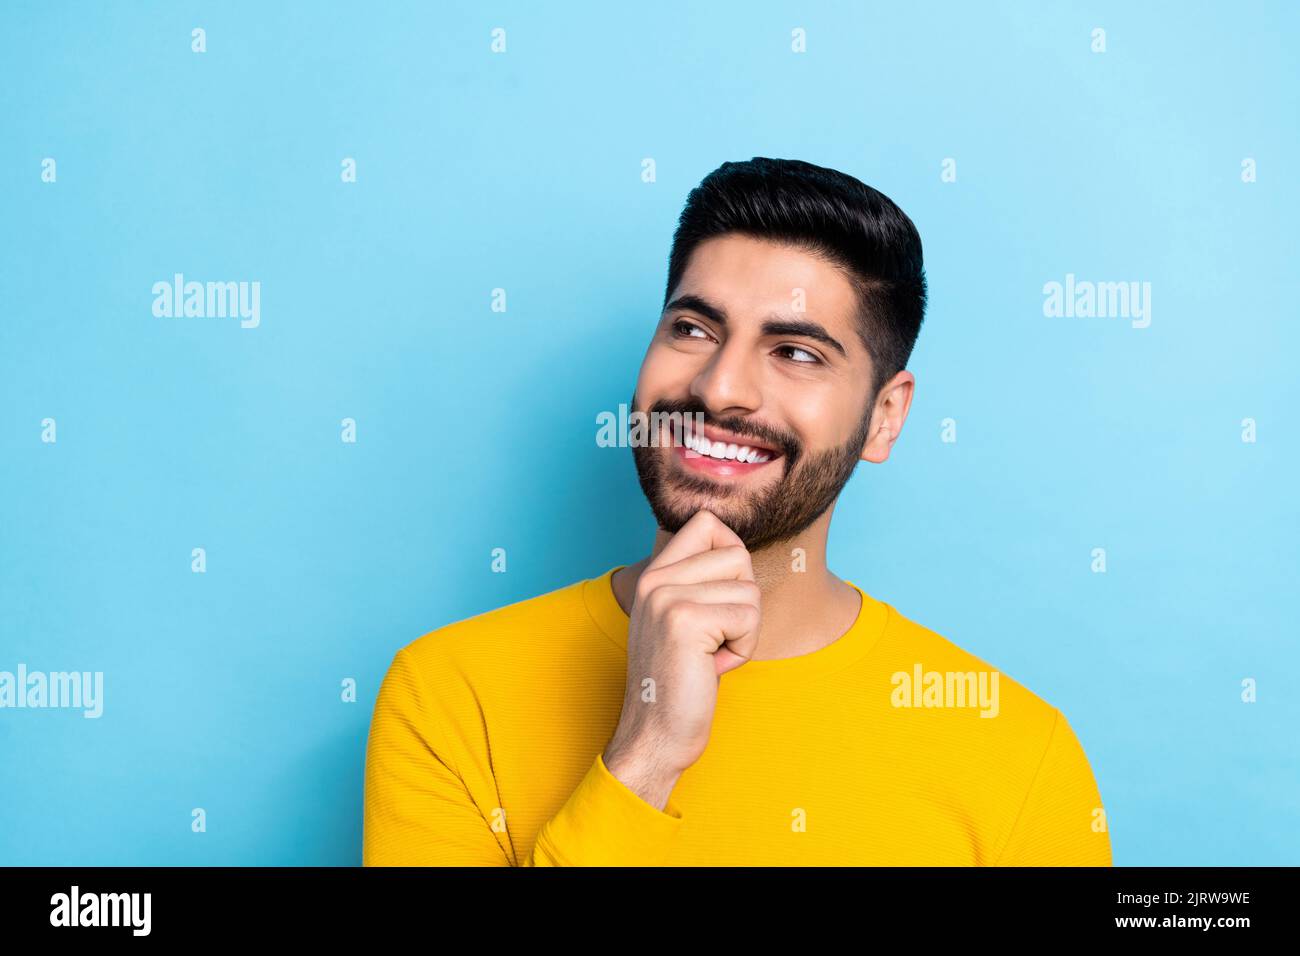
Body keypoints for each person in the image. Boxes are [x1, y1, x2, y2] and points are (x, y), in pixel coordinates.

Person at [362, 157, 1112, 866]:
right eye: (693, 330)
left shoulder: (1016, 750)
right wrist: (647, 754)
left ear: (885, 417)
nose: (721, 389)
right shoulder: (449, 694)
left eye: (796, 352)